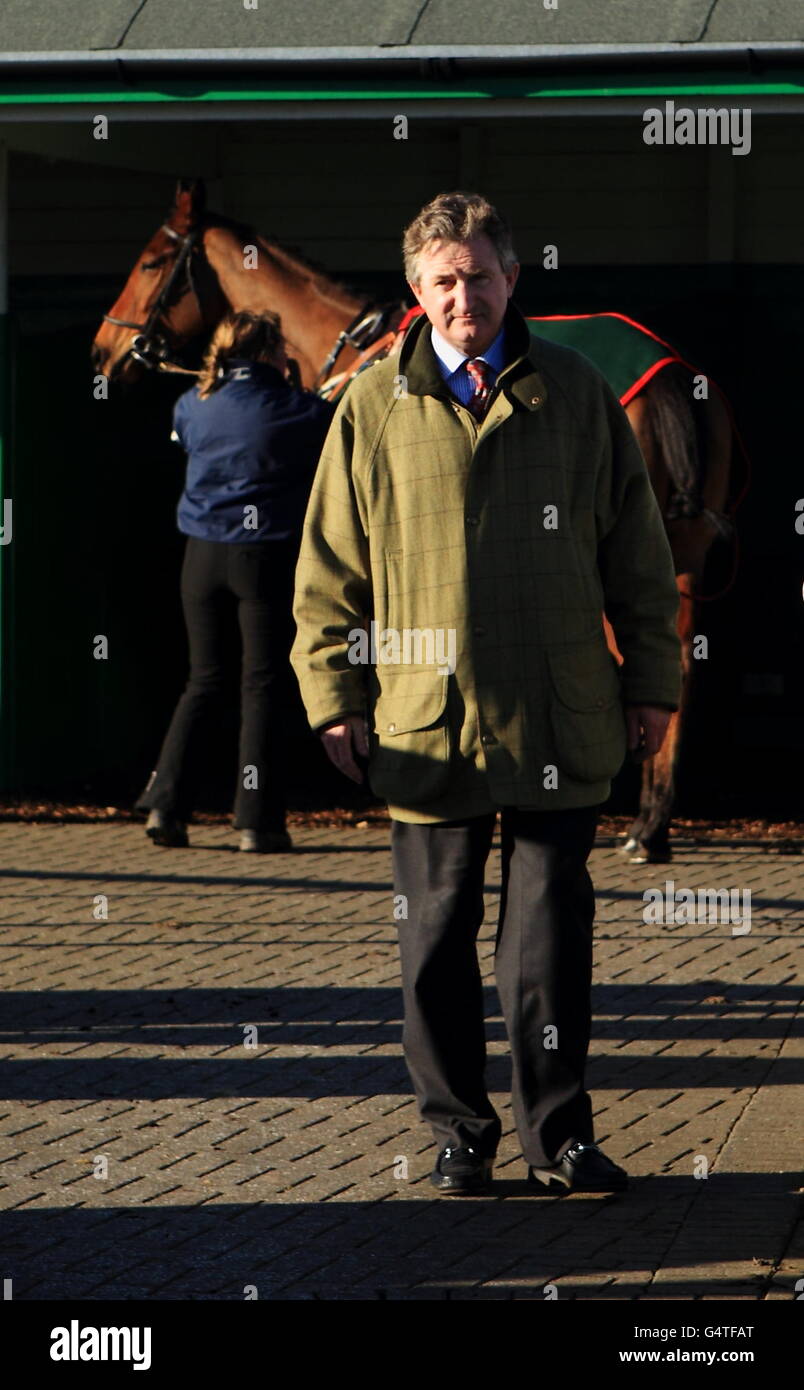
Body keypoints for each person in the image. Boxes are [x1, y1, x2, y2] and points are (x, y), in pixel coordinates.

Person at [290, 192, 681, 1195]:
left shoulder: (580, 393)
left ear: (514, 278)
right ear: (418, 292)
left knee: (548, 945)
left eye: (481, 274)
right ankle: (461, 1130)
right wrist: (334, 692)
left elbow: (638, 557)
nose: (466, 294)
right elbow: (329, 565)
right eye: (444, 280)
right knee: (434, 939)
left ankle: (561, 1133)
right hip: (429, 723)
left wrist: (652, 682)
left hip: (562, 709)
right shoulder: (374, 408)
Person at [136, 309, 334, 852]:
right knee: (262, 684)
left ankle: (165, 808)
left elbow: (186, 437)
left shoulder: (191, 404)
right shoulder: (301, 410)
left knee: (203, 680)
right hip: (261, 558)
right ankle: (256, 821)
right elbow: (323, 435)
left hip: (199, 557)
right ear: (272, 351)